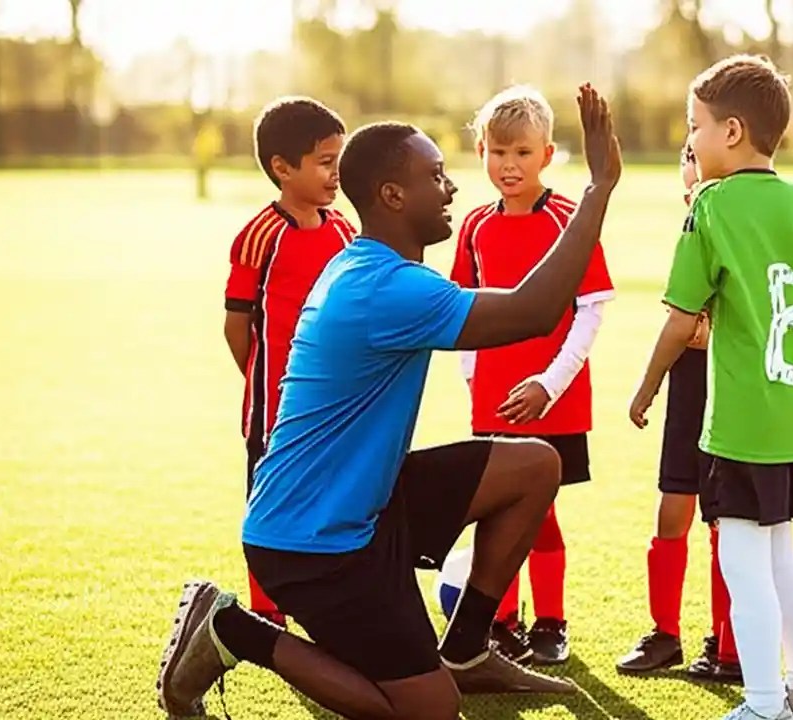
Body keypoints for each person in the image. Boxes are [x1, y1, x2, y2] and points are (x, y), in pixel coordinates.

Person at [157, 84, 623, 720]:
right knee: (428, 712)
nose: (452, 187)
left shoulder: (377, 267)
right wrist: (598, 189)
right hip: (313, 543)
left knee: (536, 465)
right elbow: (537, 312)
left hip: (365, 506)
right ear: (393, 196)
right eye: (436, 175)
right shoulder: (388, 289)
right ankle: (233, 630)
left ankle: (463, 648)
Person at [628, 55, 793, 720]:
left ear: (731, 132)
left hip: (738, 421)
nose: (691, 141)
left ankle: (764, 703)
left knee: (741, 558)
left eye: (694, 127)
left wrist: (646, 388)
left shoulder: (711, 205)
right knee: (780, 551)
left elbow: (680, 320)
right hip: (792, 419)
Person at [450, 86, 615, 666]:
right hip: (492, 401)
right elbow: (464, 312)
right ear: (481, 151)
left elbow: (592, 308)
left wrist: (550, 381)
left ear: (547, 154)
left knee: (540, 515)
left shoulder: (570, 219)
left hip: (554, 400)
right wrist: (475, 383)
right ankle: (498, 622)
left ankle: (550, 621)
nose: (508, 165)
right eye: (498, 152)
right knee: (493, 513)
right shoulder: (473, 226)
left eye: (521, 153)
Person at [222, 97, 356, 626]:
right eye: (325, 162)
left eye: (338, 159)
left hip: (336, 407)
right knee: (270, 508)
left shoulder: (345, 230)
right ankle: (267, 613)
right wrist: (264, 382)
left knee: (334, 504)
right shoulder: (260, 236)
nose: (336, 173)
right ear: (282, 168)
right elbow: (237, 326)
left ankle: (330, 609)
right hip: (274, 411)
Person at [616, 142, 741, 683]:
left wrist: (647, 383)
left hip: (731, 395)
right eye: (683, 154)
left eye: (697, 152)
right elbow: (683, 321)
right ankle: (665, 634)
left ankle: (729, 645)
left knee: (725, 520)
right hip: (689, 391)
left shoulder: (734, 222)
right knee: (673, 507)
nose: (688, 165)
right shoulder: (690, 224)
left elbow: (697, 322)